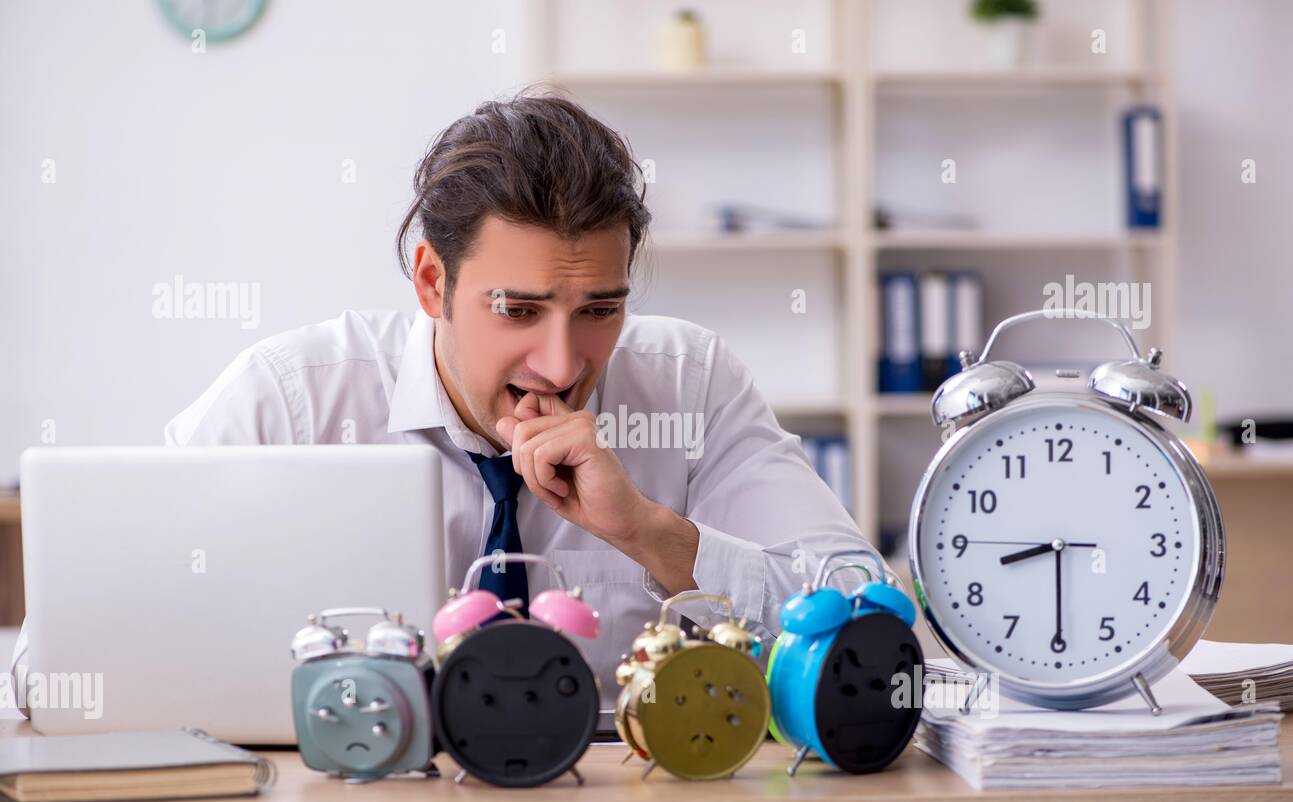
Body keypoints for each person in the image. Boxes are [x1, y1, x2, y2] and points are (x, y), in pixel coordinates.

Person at [9, 92, 872, 709]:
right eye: (519, 310)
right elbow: (53, 668)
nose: (564, 361)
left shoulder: (691, 382)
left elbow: (863, 615)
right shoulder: (294, 400)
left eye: (600, 310)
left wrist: (647, 532)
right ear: (431, 280)